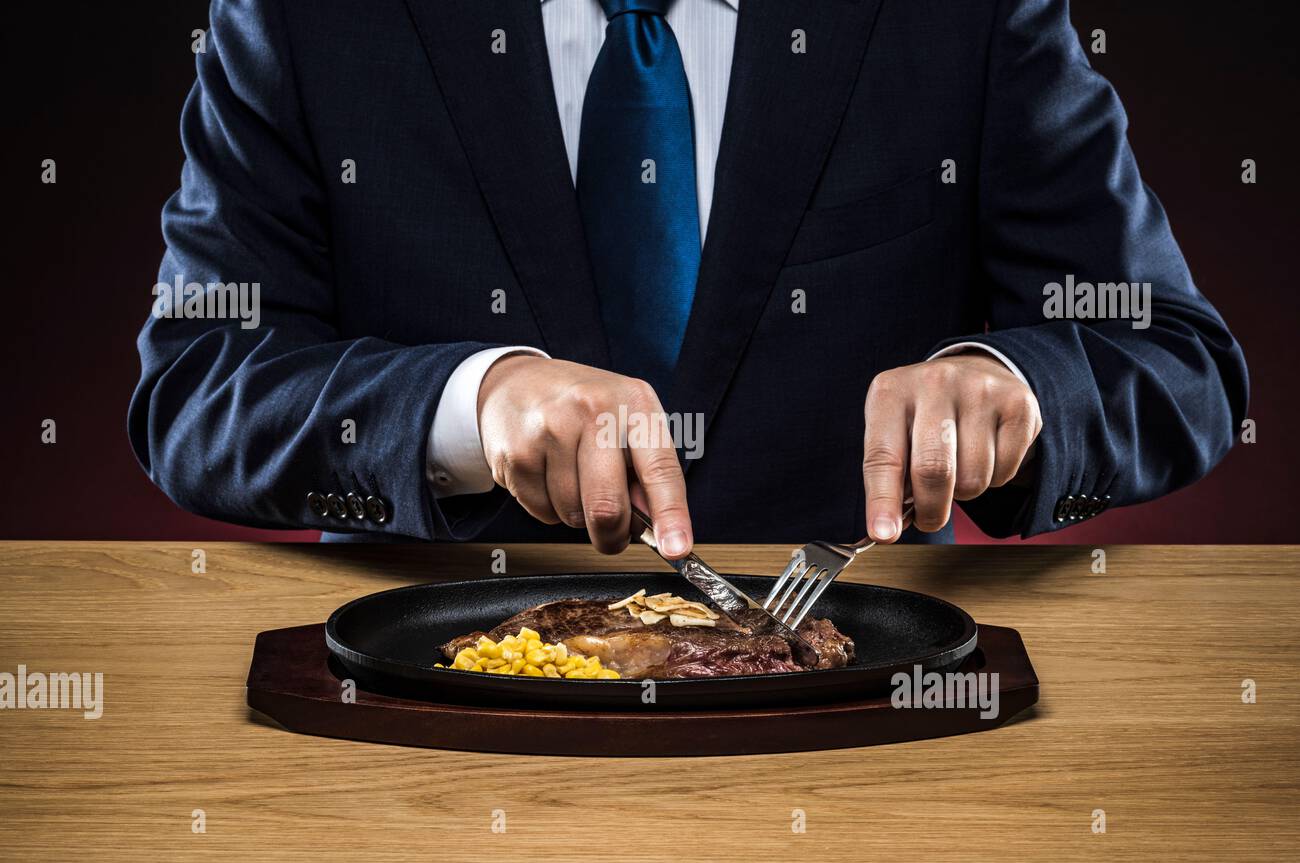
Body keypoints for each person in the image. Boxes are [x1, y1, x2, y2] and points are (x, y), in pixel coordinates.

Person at [129, 0, 1247, 559]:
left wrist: (1015, 383)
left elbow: (1173, 358)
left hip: (860, 727)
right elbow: (197, 384)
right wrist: (467, 406)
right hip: (429, 732)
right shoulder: (302, 16)